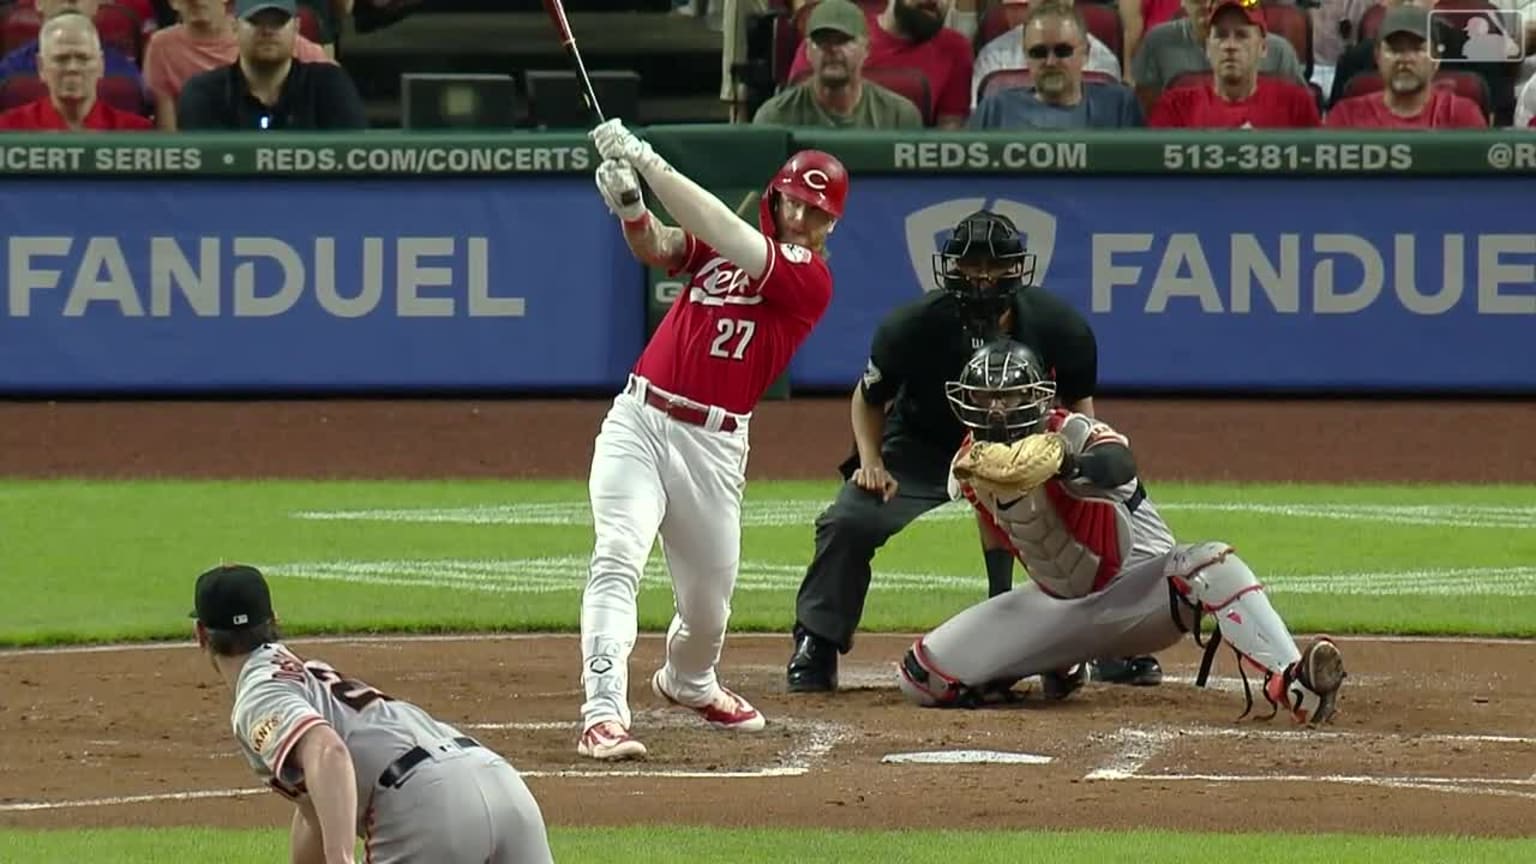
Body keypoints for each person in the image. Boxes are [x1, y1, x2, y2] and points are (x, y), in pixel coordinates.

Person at [785, 209, 1163, 695]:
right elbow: (868, 398)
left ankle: (1113, 642)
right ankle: (816, 641)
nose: (983, 277)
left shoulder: (1059, 326)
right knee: (848, 520)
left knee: (1099, 515)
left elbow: (1082, 415)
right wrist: (871, 462)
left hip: (1026, 450)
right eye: (971, 265)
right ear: (951, 268)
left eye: (994, 265)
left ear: (1017, 268)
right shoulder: (913, 324)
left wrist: (1081, 466)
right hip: (923, 450)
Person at [895, 341, 1348, 727]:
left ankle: (1293, 681)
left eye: (1008, 397)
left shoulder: (1074, 432)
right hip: (1061, 607)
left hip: (1143, 592)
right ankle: (1054, 661)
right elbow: (1000, 532)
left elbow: (1118, 465)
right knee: (922, 677)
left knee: (1207, 561)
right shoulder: (974, 463)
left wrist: (1066, 464)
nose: (995, 409)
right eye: (985, 396)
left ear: (1036, 397)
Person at [578, 118, 849, 761]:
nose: (803, 217)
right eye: (795, 202)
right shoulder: (729, 246)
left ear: (830, 224)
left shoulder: (808, 279)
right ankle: (602, 712)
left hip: (714, 449)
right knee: (617, 555)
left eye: (818, 211)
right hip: (640, 421)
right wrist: (632, 209)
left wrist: (647, 159)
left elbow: (721, 231)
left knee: (708, 613)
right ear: (776, 198)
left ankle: (689, 680)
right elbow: (664, 246)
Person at [192, 564, 554, 863]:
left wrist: (340, 858)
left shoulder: (259, 694)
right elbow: (315, 810)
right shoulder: (307, 674)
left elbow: (328, 752)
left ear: (201, 634)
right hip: (502, 785)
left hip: (424, 809)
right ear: (274, 620)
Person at [176, 0, 367, 130]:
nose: (267, 30)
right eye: (255, 21)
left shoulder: (330, 85)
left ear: (297, 28)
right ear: (234, 27)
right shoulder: (203, 92)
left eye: (278, 22)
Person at [143, 0, 332, 130]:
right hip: (205, 145)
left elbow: (331, 79)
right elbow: (169, 132)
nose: (198, 1)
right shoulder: (162, 45)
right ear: (172, 2)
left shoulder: (264, 37)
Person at [1148, 0, 1321, 128]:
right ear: (1208, 47)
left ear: (1263, 48)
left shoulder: (1296, 104)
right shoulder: (1175, 107)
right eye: (1221, 35)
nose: (1230, 45)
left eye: (1241, 35)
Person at [969, 2, 1144, 129]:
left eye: (1063, 51)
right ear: (1026, 55)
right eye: (1038, 53)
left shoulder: (1120, 106)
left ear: (1086, 52)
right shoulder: (995, 109)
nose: (1051, 62)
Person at [753, 0, 924, 129]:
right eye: (822, 41)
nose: (832, 49)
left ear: (866, 49)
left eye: (843, 40)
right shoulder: (775, 117)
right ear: (807, 52)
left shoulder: (899, 116)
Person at [1325, 5, 1487, 128]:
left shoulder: (1462, 115)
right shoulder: (1346, 116)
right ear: (1377, 57)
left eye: (1417, 49)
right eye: (1394, 49)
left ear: (1436, 59)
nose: (1404, 59)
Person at [0, 13, 152, 131]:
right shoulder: (8, 129)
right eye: (61, 59)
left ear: (101, 65)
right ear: (41, 67)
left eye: (83, 58)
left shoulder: (137, 131)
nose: (73, 68)